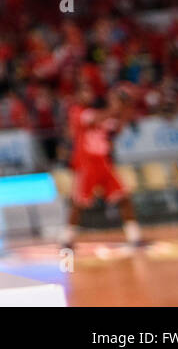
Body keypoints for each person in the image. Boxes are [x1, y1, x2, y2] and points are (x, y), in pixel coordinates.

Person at [61, 85, 142, 248]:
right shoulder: (77, 112)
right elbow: (96, 118)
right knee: (79, 202)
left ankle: (134, 236)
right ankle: (66, 238)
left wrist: (126, 109)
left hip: (104, 163)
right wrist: (115, 105)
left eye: (89, 91)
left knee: (123, 197)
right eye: (84, 91)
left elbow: (116, 129)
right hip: (87, 164)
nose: (87, 94)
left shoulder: (100, 113)